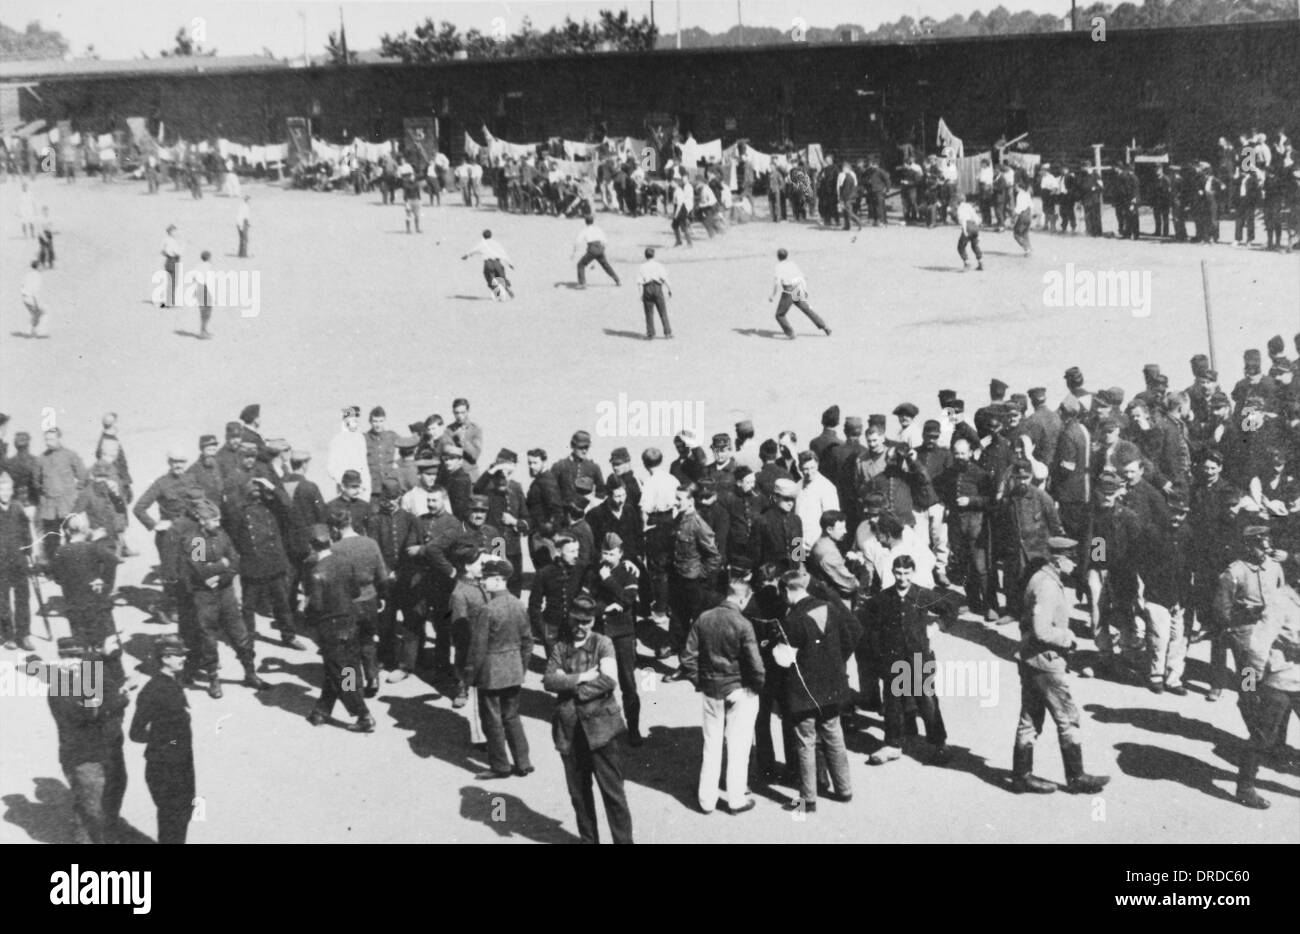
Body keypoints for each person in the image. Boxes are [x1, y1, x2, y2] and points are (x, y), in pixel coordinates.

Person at [1012, 535, 1110, 795]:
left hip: (1031, 659)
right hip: (1046, 663)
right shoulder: (1046, 586)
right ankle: (1076, 777)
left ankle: (1021, 776)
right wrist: (1069, 638)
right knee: (1067, 718)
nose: (1075, 565)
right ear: (1058, 559)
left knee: (1030, 718)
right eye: (1072, 559)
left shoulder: (1044, 579)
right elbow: (1042, 630)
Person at [543, 593, 633, 844]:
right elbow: (548, 680)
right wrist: (583, 678)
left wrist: (571, 687)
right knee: (579, 795)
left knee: (613, 794)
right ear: (569, 619)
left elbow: (609, 680)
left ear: (594, 622)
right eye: (576, 621)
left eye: (586, 622)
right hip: (570, 731)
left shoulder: (603, 643)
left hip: (602, 731)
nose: (580, 627)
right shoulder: (561, 647)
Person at [680, 557, 765, 814]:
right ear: (742, 599)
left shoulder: (704, 619)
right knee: (738, 746)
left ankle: (706, 800)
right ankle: (736, 799)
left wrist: (699, 680)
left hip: (711, 689)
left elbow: (687, 656)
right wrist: (755, 687)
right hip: (739, 689)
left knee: (711, 744)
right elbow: (756, 665)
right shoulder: (743, 624)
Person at [776, 569, 858, 813]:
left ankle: (808, 799)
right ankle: (844, 789)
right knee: (834, 736)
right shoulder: (829, 608)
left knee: (806, 742)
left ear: (787, 590)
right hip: (833, 687)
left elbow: (783, 659)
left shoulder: (792, 620)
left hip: (805, 693)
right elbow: (847, 638)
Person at [863, 555, 955, 765]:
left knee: (927, 700)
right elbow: (872, 626)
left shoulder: (921, 594)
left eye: (906, 573)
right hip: (894, 659)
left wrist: (936, 627)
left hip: (919, 657)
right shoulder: (883, 598)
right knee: (893, 702)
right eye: (898, 573)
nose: (902, 578)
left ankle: (939, 744)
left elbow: (950, 609)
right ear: (893, 573)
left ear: (913, 573)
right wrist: (879, 656)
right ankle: (892, 745)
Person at [43, 636, 129, 844]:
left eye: (78, 657)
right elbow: (85, 716)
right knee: (96, 809)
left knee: (100, 804)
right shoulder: (60, 686)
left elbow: (112, 686)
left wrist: (108, 657)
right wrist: (119, 701)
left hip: (103, 751)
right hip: (83, 758)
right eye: (68, 657)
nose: (74, 662)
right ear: (60, 660)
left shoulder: (88, 677)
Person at [182, 500, 271, 699]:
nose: (219, 523)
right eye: (214, 520)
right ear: (203, 521)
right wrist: (222, 563)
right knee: (209, 640)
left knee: (241, 635)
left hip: (225, 593)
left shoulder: (222, 535)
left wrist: (220, 573)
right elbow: (201, 570)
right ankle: (213, 679)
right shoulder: (196, 540)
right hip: (204, 597)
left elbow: (235, 560)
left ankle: (250, 673)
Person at [465, 558, 535, 779]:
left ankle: (500, 766)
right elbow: (528, 642)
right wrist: (521, 668)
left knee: (492, 720)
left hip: (491, 674)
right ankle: (523, 762)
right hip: (514, 670)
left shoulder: (487, 610)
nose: (483, 583)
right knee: (512, 717)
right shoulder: (518, 604)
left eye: (486, 579)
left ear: (498, 580)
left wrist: (469, 677)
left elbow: (478, 649)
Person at [304, 524, 375, 732]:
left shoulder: (316, 572)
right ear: (330, 541)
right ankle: (321, 711)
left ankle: (363, 715)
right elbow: (354, 591)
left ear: (312, 546)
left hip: (330, 627)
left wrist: (307, 613)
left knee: (341, 672)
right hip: (351, 621)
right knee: (344, 668)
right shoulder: (344, 561)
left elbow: (316, 606)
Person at [129, 634, 195, 844]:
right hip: (165, 766)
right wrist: (170, 741)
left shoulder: (172, 683)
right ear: (165, 658)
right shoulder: (154, 690)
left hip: (180, 762)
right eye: (178, 656)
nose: (183, 659)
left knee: (183, 812)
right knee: (172, 817)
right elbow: (136, 732)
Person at [584, 532, 643, 745]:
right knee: (600, 682)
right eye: (605, 552)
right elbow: (585, 601)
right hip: (601, 634)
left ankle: (633, 728)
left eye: (612, 553)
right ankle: (604, 728)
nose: (608, 557)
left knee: (628, 683)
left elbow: (628, 599)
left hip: (623, 635)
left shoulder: (627, 571)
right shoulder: (593, 572)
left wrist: (607, 579)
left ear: (620, 553)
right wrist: (604, 608)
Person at [0, 471, 33, 650]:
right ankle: (8, 635)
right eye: (1, 490)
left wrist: (29, 551)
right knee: (2, 600)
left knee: (23, 598)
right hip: (1, 564)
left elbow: (26, 531)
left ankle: (24, 635)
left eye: (8, 489)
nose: (5, 493)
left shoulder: (17, 507)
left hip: (19, 561)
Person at [769, 248, 831, 339]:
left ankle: (790, 333)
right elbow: (802, 278)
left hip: (788, 292)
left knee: (779, 315)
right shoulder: (792, 264)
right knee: (807, 309)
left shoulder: (778, 267)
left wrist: (772, 295)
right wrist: (805, 290)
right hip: (796, 290)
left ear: (778, 257)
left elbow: (777, 283)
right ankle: (825, 327)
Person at [461, 229, 515, 300]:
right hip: (497, 263)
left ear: (483, 236)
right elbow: (503, 253)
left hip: (488, 264)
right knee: (501, 278)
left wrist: (466, 255)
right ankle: (507, 289)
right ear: (491, 235)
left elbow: (474, 250)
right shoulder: (496, 243)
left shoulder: (482, 244)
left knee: (490, 279)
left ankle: (498, 295)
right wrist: (509, 263)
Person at [572, 215, 620, 288]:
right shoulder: (598, 229)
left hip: (592, 248)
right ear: (593, 222)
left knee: (580, 264)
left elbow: (578, 241)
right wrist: (602, 250)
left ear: (585, 222)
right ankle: (617, 280)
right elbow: (605, 241)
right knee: (606, 265)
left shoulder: (585, 230)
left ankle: (582, 283)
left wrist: (574, 252)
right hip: (600, 248)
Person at [636, 247, 672, 340]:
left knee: (649, 312)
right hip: (657, 287)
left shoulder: (642, 267)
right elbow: (664, 278)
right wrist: (669, 289)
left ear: (645, 256)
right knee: (662, 311)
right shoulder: (659, 265)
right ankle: (667, 332)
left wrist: (641, 294)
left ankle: (650, 333)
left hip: (647, 288)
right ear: (654, 255)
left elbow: (639, 282)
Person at [954, 193, 983, 271]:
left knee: (961, 247)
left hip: (967, 226)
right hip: (974, 226)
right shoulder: (969, 206)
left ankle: (967, 263)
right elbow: (977, 218)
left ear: (958, 201)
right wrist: (978, 229)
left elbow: (963, 219)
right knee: (975, 246)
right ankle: (980, 262)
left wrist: (964, 230)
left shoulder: (960, 208)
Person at [21, 261, 45, 338]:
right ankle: (33, 332)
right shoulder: (38, 276)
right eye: (41, 266)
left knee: (36, 314)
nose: (42, 267)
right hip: (32, 298)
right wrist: (37, 303)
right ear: (37, 267)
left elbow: (22, 286)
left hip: (25, 298)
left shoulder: (28, 274)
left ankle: (32, 332)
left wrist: (24, 295)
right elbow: (35, 291)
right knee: (41, 313)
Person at [160, 224, 182, 308]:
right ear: (171, 232)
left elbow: (162, 251)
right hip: (173, 261)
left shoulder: (165, 240)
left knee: (170, 282)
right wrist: (184, 246)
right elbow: (178, 252)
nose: (176, 233)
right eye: (175, 231)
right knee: (173, 283)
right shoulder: (172, 241)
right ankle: (170, 302)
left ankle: (168, 301)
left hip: (168, 261)